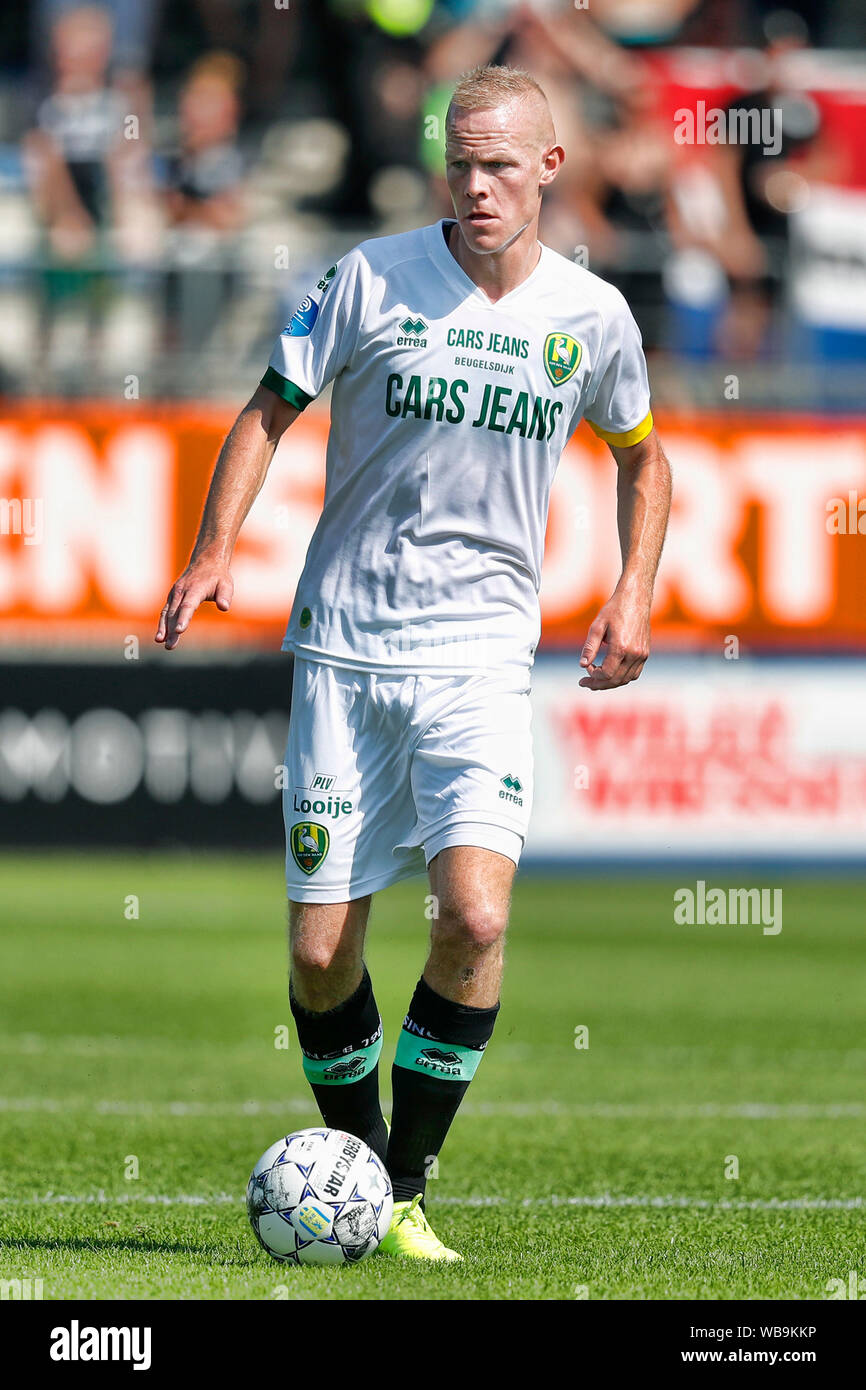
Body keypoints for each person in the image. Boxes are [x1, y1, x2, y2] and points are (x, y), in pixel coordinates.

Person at [155, 64, 672, 1261]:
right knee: (320, 952)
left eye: (500, 165)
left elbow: (643, 459)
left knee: (474, 920)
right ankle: (360, 1168)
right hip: (344, 646)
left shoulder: (588, 316)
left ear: (549, 167)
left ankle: (393, 1191)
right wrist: (213, 549)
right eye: (459, 164)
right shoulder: (369, 277)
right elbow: (267, 409)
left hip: (481, 656)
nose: (477, 186)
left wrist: (629, 591)